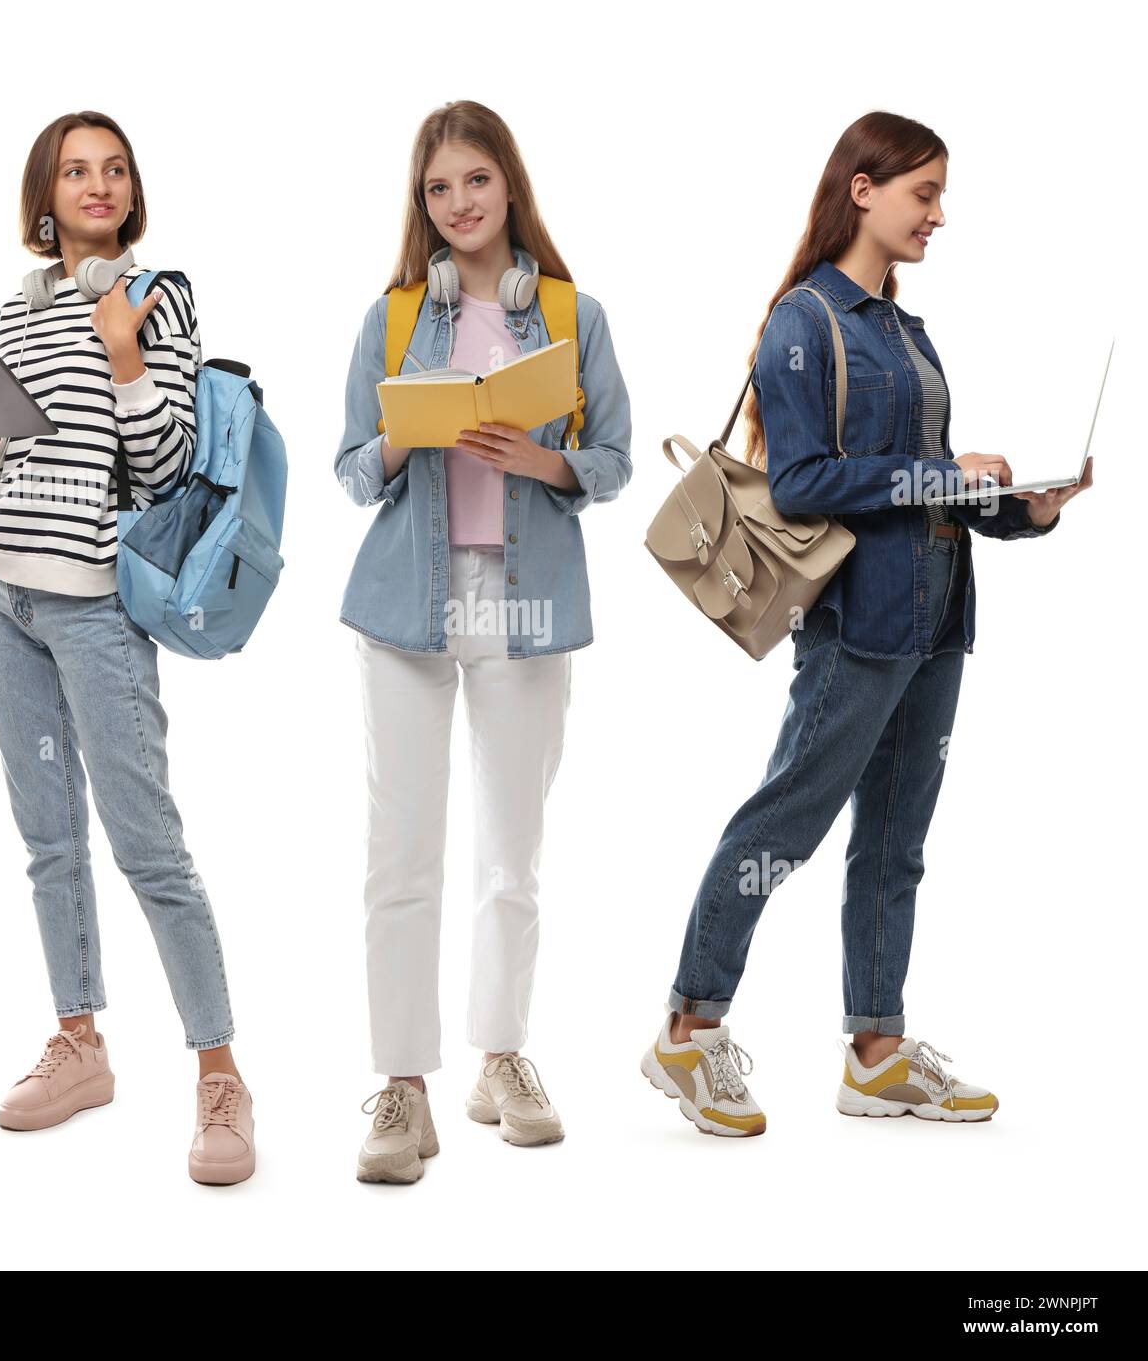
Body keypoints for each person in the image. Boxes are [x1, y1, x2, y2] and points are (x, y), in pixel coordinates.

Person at [642, 110, 1093, 1135]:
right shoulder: (805, 321)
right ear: (862, 188)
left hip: (937, 618)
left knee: (896, 841)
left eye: (938, 196)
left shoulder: (904, 328)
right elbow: (800, 484)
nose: (938, 215)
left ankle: (876, 1052)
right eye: (923, 194)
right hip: (856, 621)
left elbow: (916, 491)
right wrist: (942, 471)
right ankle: (687, 1028)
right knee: (781, 825)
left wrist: (1018, 509)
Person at [0, 110, 256, 1184]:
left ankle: (220, 1072)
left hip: (93, 607)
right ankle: (79, 1043)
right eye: (76, 169)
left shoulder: (158, 297)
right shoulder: (16, 310)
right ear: (46, 192)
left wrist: (125, 351)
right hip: (3, 595)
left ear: (131, 191)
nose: (97, 183)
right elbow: (15, 468)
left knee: (148, 847)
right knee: (47, 837)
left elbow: (165, 465)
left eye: (113, 169)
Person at [335, 100, 632, 1183]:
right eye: (436, 188)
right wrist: (401, 435)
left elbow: (612, 460)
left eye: (474, 181)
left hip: (525, 601)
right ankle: (402, 1087)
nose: (457, 204)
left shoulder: (567, 310)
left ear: (509, 184)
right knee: (399, 858)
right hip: (404, 607)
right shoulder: (396, 312)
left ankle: (499, 1057)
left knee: (513, 855)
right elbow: (349, 467)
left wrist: (539, 461)